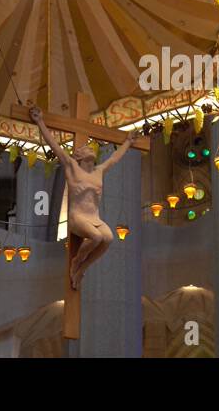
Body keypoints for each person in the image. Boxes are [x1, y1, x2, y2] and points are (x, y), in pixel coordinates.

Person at [30, 105, 138, 289]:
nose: (89, 148)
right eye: (85, 148)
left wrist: (128, 141)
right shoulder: (72, 166)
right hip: (77, 217)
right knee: (96, 237)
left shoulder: (99, 171)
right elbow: (55, 146)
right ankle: (77, 260)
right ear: (78, 156)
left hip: (94, 217)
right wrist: (40, 121)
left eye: (90, 148)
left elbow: (114, 159)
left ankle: (82, 268)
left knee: (109, 238)